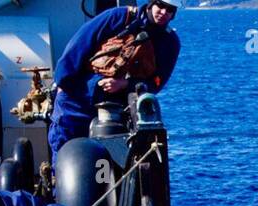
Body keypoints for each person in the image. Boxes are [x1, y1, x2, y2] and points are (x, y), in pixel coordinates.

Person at [48, 0, 181, 157]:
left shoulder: (169, 43)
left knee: (107, 161)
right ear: (152, 3)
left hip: (115, 111)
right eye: (161, 5)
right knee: (66, 152)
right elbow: (80, 44)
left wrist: (125, 84)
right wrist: (63, 84)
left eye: (170, 9)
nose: (164, 12)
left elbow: (156, 82)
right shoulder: (118, 17)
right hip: (76, 99)